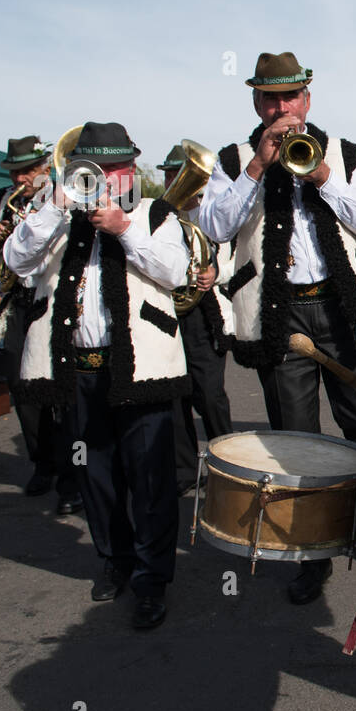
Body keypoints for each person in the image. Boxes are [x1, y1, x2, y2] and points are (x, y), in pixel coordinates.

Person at [196, 51, 356, 603]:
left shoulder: (344, 154)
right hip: (278, 315)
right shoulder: (235, 159)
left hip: (341, 310)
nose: (280, 108)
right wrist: (257, 168)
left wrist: (324, 174)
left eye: (289, 97)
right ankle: (310, 551)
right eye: (268, 98)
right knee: (295, 440)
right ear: (256, 103)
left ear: (307, 98)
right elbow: (213, 226)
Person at [3, 121, 189, 628]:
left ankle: (153, 580)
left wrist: (124, 229)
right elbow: (15, 260)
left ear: (132, 169)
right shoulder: (55, 218)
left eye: (116, 169)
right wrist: (56, 206)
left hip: (141, 373)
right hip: (79, 374)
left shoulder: (155, 213)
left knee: (150, 483)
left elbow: (176, 272)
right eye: (95, 170)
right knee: (96, 478)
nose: (106, 180)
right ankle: (115, 562)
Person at [0, 135, 83, 514]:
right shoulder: (2, 200)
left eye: (26, 170)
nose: (19, 179)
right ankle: (43, 464)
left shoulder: (62, 194)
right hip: (19, 301)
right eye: (14, 172)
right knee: (22, 386)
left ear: (45, 168)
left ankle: (74, 479)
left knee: (64, 391)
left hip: (55, 299)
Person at [158, 145, 235, 496]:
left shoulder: (212, 214)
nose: (176, 182)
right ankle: (183, 469)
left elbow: (235, 254)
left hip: (205, 318)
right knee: (175, 398)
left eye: (182, 175)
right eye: (171, 175)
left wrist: (215, 271)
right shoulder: (158, 216)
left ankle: (227, 466)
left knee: (210, 396)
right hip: (167, 318)